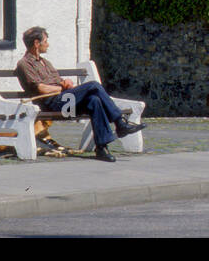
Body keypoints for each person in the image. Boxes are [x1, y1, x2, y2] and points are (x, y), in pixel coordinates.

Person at [14, 25, 143, 162]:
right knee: (93, 85)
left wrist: (66, 83)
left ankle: (102, 148)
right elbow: (41, 89)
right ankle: (120, 123)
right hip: (51, 104)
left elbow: (59, 82)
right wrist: (62, 88)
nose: (48, 44)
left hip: (65, 100)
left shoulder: (45, 62)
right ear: (36, 43)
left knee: (94, 100)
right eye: (45, 41)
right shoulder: (25, 64)